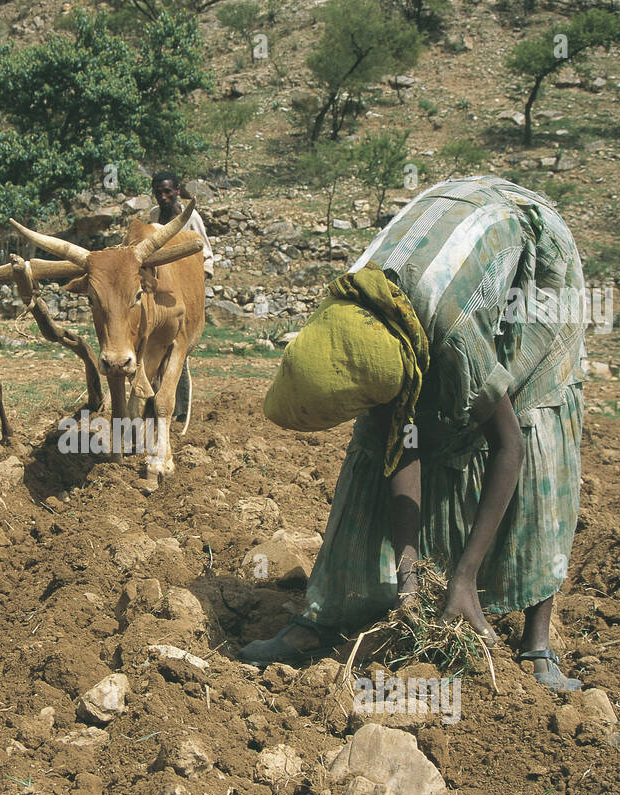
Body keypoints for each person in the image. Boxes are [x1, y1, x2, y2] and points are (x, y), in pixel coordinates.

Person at [241, 175, 586, 692]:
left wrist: (463, 575)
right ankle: (322, 616)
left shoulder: (456, 334)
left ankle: (537, 643)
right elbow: (399, 443)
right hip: (444, 262)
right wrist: (409, 571)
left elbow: (507, 449)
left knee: (533, 428)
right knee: (373, 450)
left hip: (536, 272)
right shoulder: (348, 309)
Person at [147, 171, 214, 427]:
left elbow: (205, 253)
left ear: (177, 191)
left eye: (168, 191)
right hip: (158, 286)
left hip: (184, 287)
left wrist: (197, 284)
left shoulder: (190, 217)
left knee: (179, 348)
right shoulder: (154, 216)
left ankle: (180, 410)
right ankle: (152, 403)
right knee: (153, 345)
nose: (163, 197)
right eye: (158, 192)